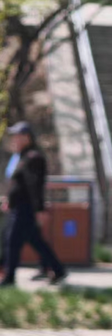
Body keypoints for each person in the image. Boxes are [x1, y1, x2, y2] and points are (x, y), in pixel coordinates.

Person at [0, 122, 67, 286]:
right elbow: (18, 184)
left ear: (26, 137)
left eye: (17, 135)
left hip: (25, 208)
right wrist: (9, 200)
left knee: (12, 241)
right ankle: (57, 269)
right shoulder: (22, 156)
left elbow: (34, 186)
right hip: (18, 206)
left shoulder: (33, 157)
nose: (14, 139)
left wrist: (39, 209)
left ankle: (9, 277)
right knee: (34, 240)